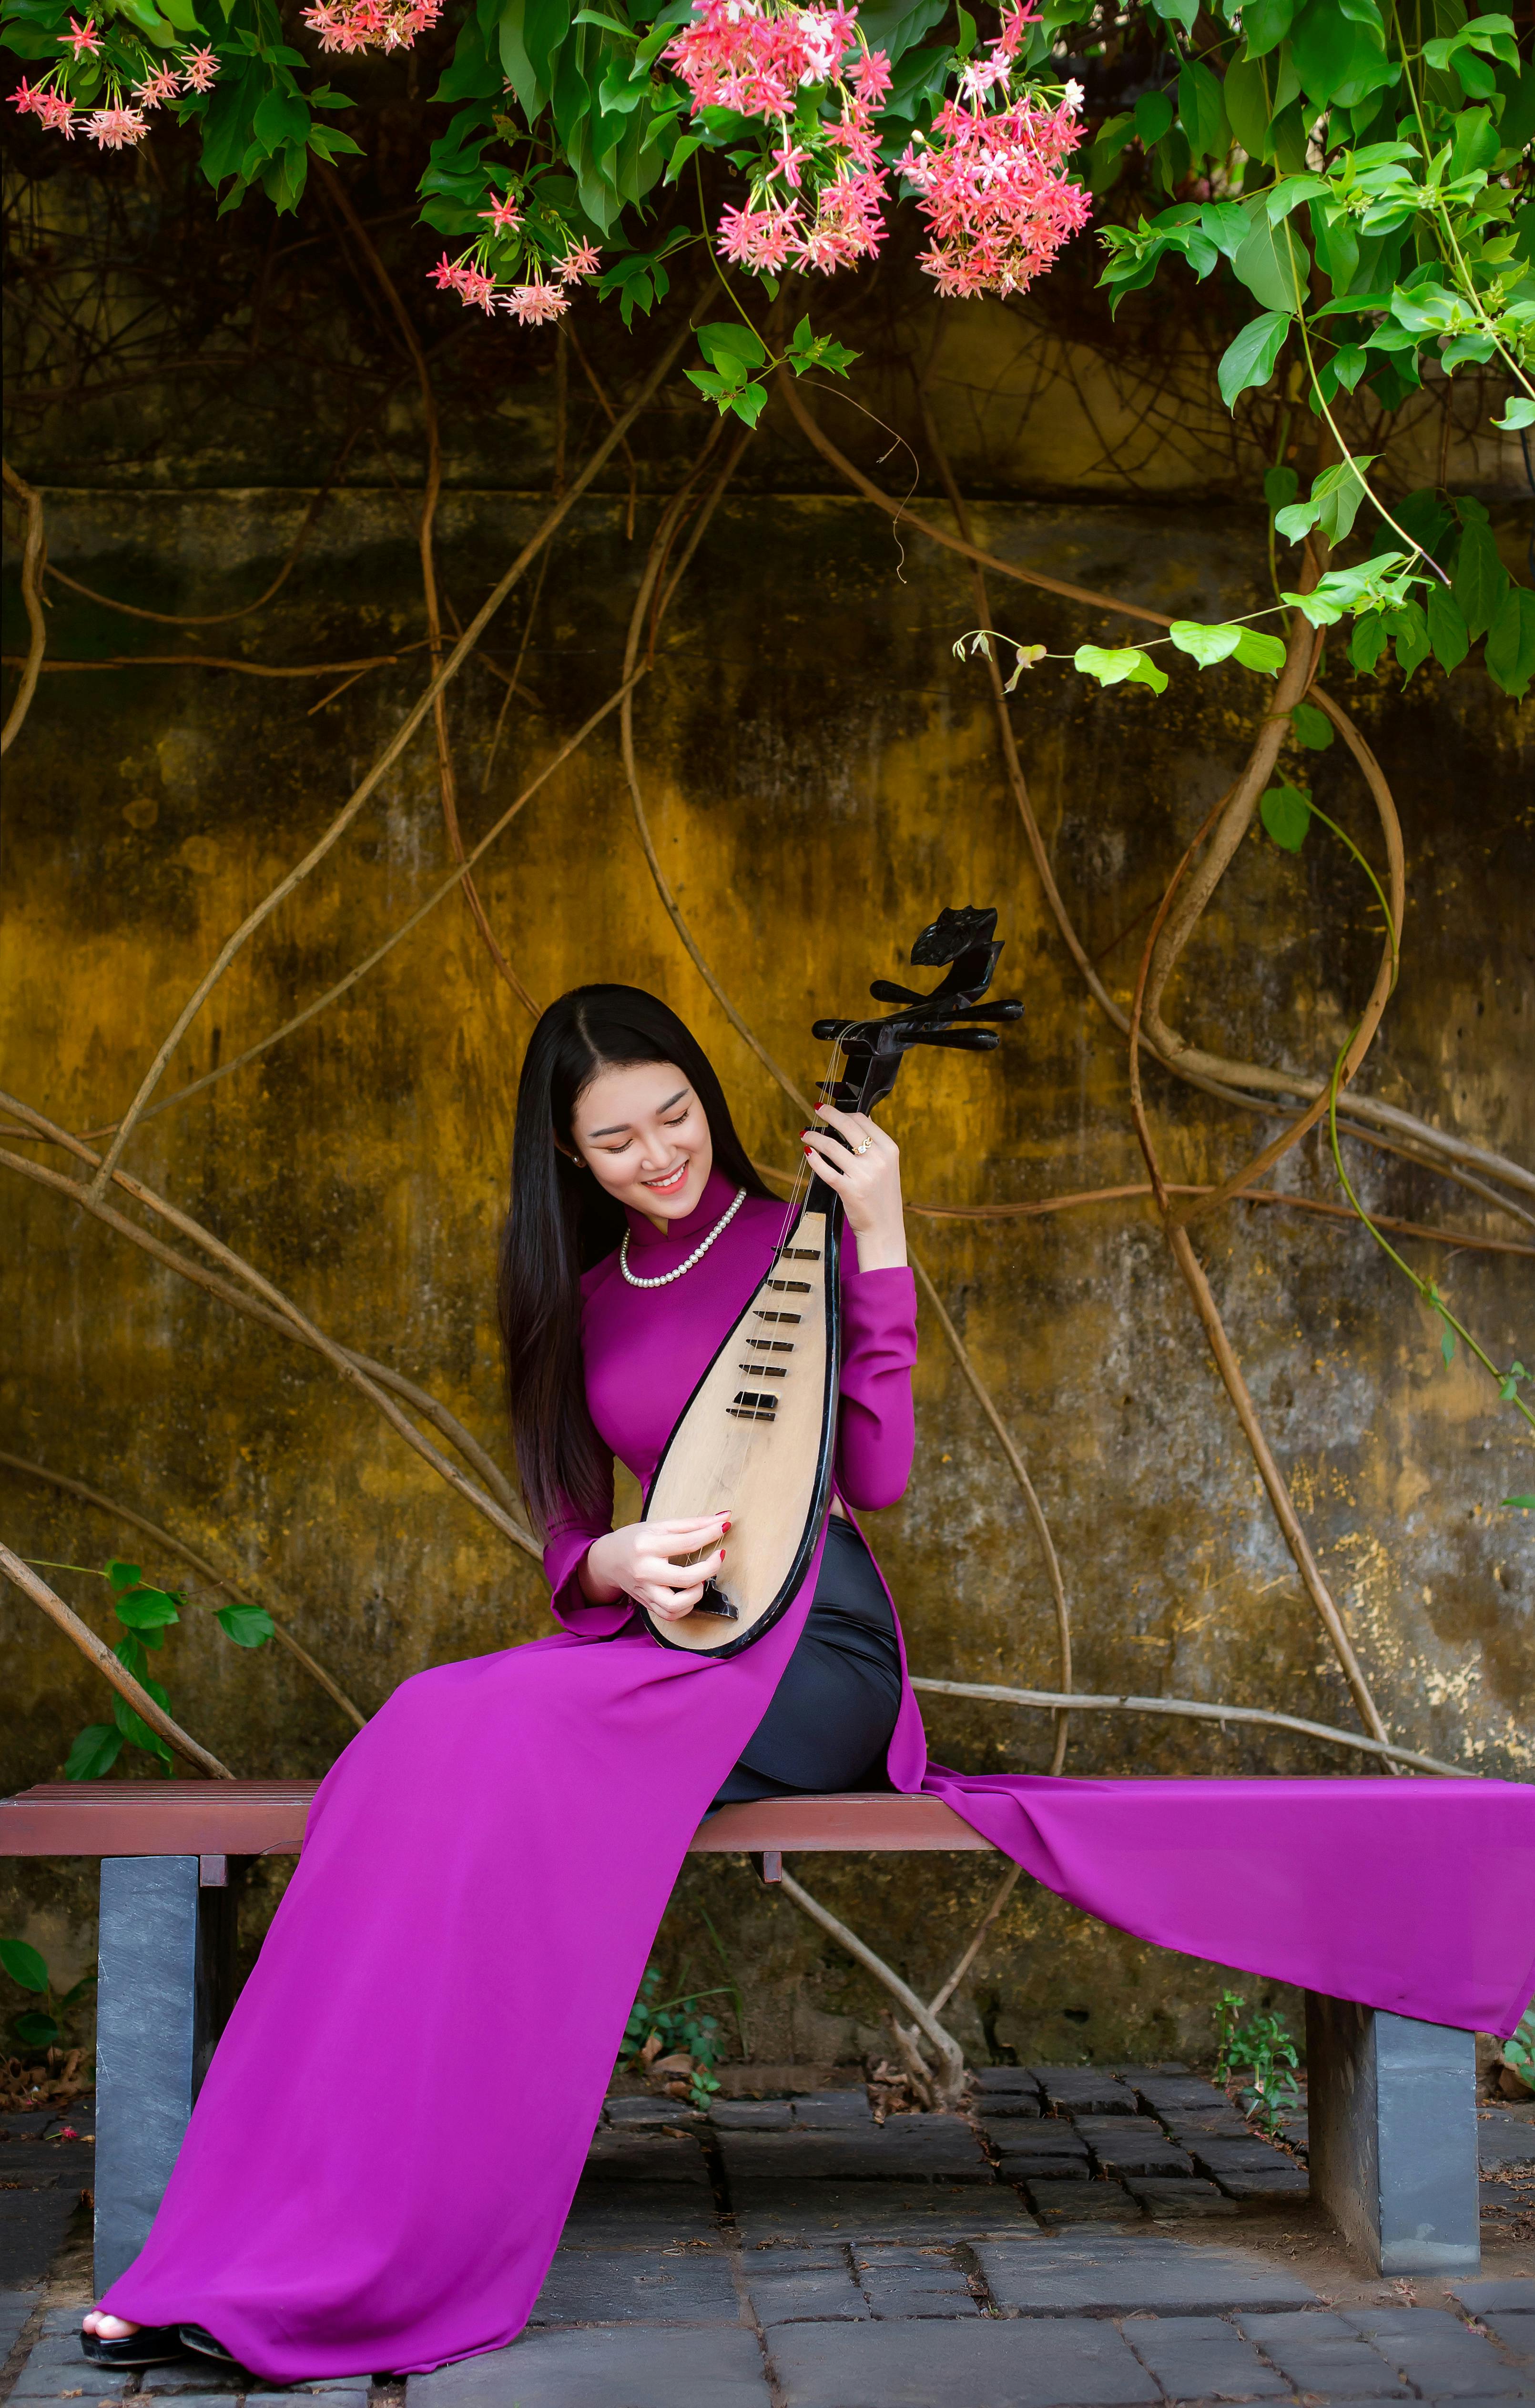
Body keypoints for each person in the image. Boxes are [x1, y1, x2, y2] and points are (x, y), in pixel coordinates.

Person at [81, 985, 1535, 2381]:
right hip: (665, 1644)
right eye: (617, 1140)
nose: (658, 1156)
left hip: (815, 1657)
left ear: (707, 1105)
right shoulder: (580, 1299)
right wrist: (614, 1567)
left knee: (477, 1734)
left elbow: (880, 1475)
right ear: (568, 1158)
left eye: (676, 1118)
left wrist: (884, 1234)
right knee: (415, 1736)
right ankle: (252, 2241)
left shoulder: (797, 1243)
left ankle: (370, 2251)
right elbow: (568, 1543)